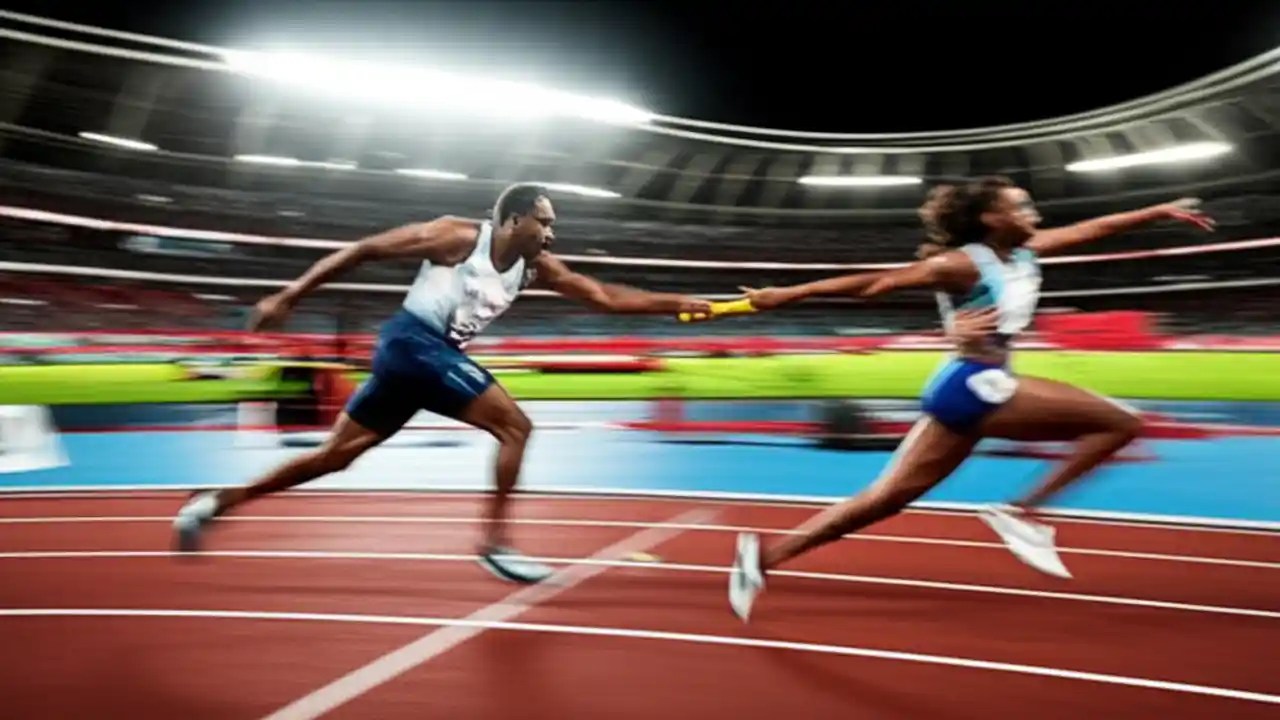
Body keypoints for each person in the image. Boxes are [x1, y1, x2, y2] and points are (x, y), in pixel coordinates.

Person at [700, 176, 1213, 621]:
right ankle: (1020, 512)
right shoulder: (963, 263)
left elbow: (1095, 229)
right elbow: (878, 282)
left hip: (962, 388)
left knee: (884, 500)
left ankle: (762, 558)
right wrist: (783, 296)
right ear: (992, 217)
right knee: (1121, 422)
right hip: (978, 384)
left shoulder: (1028, 250)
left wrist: (1158, 212)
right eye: (1021, 205)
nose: (1033, 212)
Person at [172, 183, 711, 583]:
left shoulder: (536, 267)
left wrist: (676, 304)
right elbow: (365, 249)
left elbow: (605, 297)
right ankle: (496, 545)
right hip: (411, 343)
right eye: (543, 222)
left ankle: (215, 503)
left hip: (429, 359)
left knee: (335, 456)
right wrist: (290, 295)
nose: (551, 233)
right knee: (517, 428)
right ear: (513, 219)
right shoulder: (456, 236)